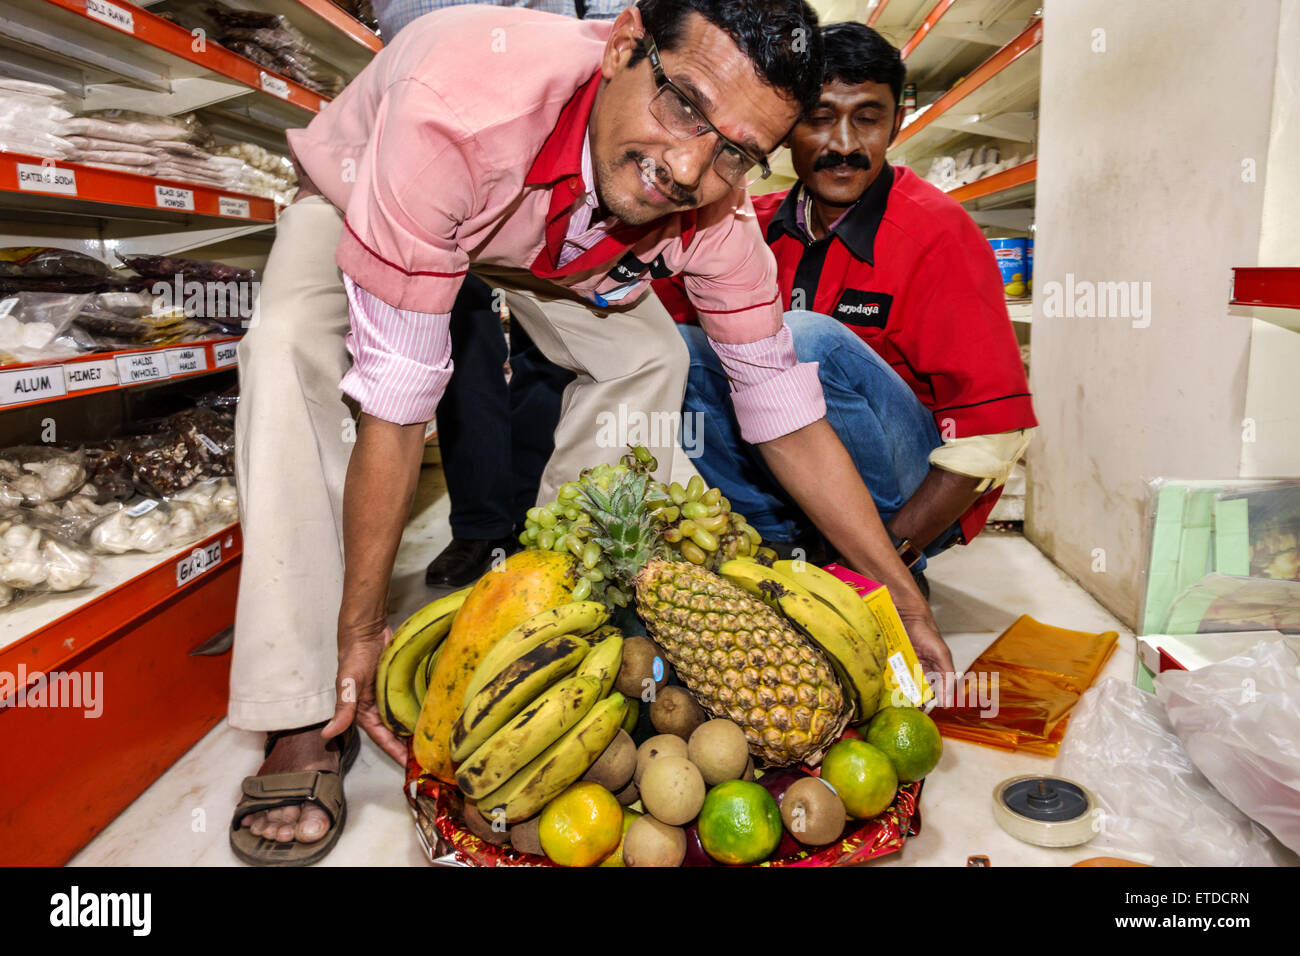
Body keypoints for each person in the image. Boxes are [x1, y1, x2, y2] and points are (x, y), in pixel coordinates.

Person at [232, 0, 962, 865]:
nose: (691, 167)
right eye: (685, 105)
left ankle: (559, 624)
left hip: (566, 243)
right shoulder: (458, 106)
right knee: (283, 350)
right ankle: (298, 710)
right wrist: (360, 627)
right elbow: (398, 404)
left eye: (735, 150)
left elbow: (785, 413)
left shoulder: (711, 209)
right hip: (382, 192)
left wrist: (900, 590)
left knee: (650, 354)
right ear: (622, 45)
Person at [659, 22, 1038, 588]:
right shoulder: (747, 226)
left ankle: (864, 558)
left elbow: (992, 440)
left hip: (911, 496)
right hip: (793, 481)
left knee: (804, 340)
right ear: (786, 126)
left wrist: (889, 560)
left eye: (867, 117)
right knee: (679, 348)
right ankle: (774, 547)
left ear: (896, 124)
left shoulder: (937, 233)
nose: (843, 144)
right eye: (818, 117)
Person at [369, 2, 627, 589]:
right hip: (433, 148)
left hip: (541, 149)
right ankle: (481, 526)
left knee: (554, 358)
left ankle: (539, 518)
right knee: (460, 352)